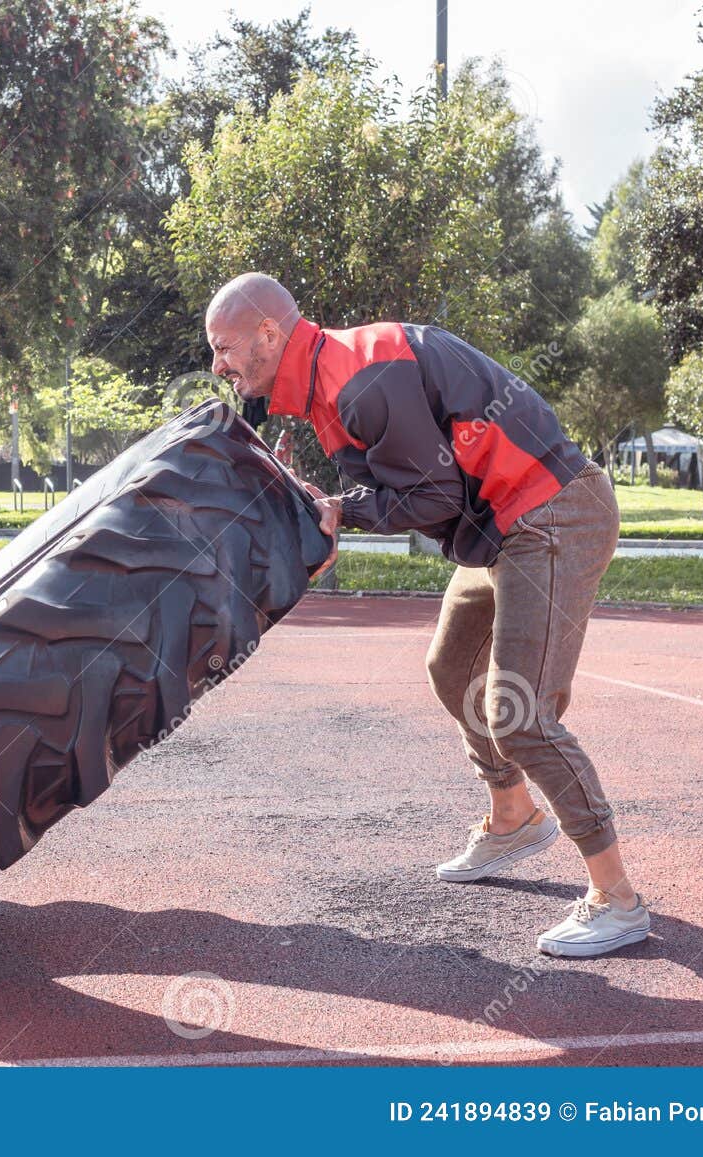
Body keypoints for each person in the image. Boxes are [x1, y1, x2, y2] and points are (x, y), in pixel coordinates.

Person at [205, 272, 648, 958]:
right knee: (450, 667)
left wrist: (342, 512)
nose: (218, 365)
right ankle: (513, 816)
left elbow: (432, 497)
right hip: (503, 525)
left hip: (550, 512)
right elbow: (411, 480)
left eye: (225, 347)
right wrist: (330, 508)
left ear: (270, 333)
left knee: (520, 713)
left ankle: (616, 898)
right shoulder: (332, 380)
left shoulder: (359, 382)